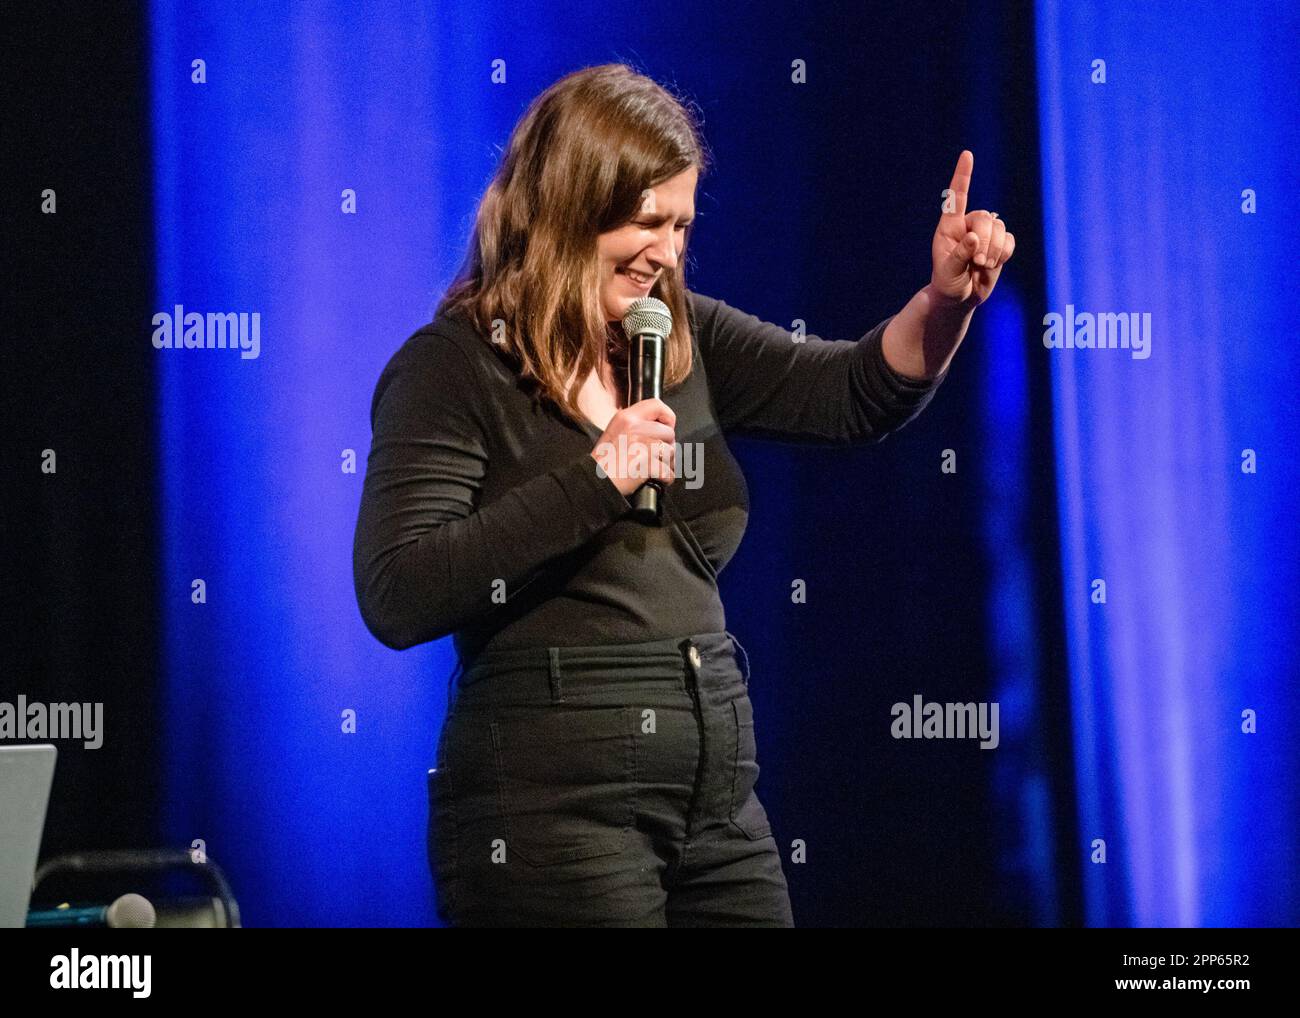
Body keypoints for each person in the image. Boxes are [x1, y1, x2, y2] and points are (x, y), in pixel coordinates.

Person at [351, 63, 1014, 928]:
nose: (667, 251)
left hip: (715, 798)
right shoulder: (455, 366)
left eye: (682, 224)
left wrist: (944, 302)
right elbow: (399, 590)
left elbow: (851, 393)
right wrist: (596, 482)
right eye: (645, 221)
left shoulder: (679, 336)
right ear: (567, 209)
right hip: (552, 813)